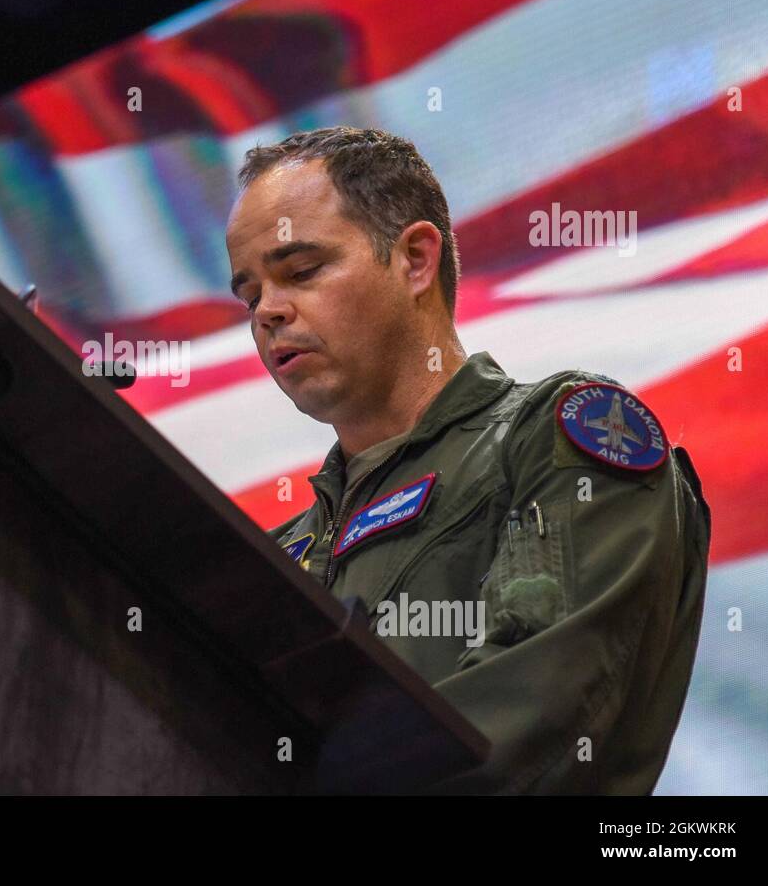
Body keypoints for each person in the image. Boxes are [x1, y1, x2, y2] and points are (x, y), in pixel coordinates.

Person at [225, 126, 711, 793]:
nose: (268, 313)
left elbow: (532, 717)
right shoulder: (276, 552)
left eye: (300, 271)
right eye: (249, 295)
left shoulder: (557, 437)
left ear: (416, 259)